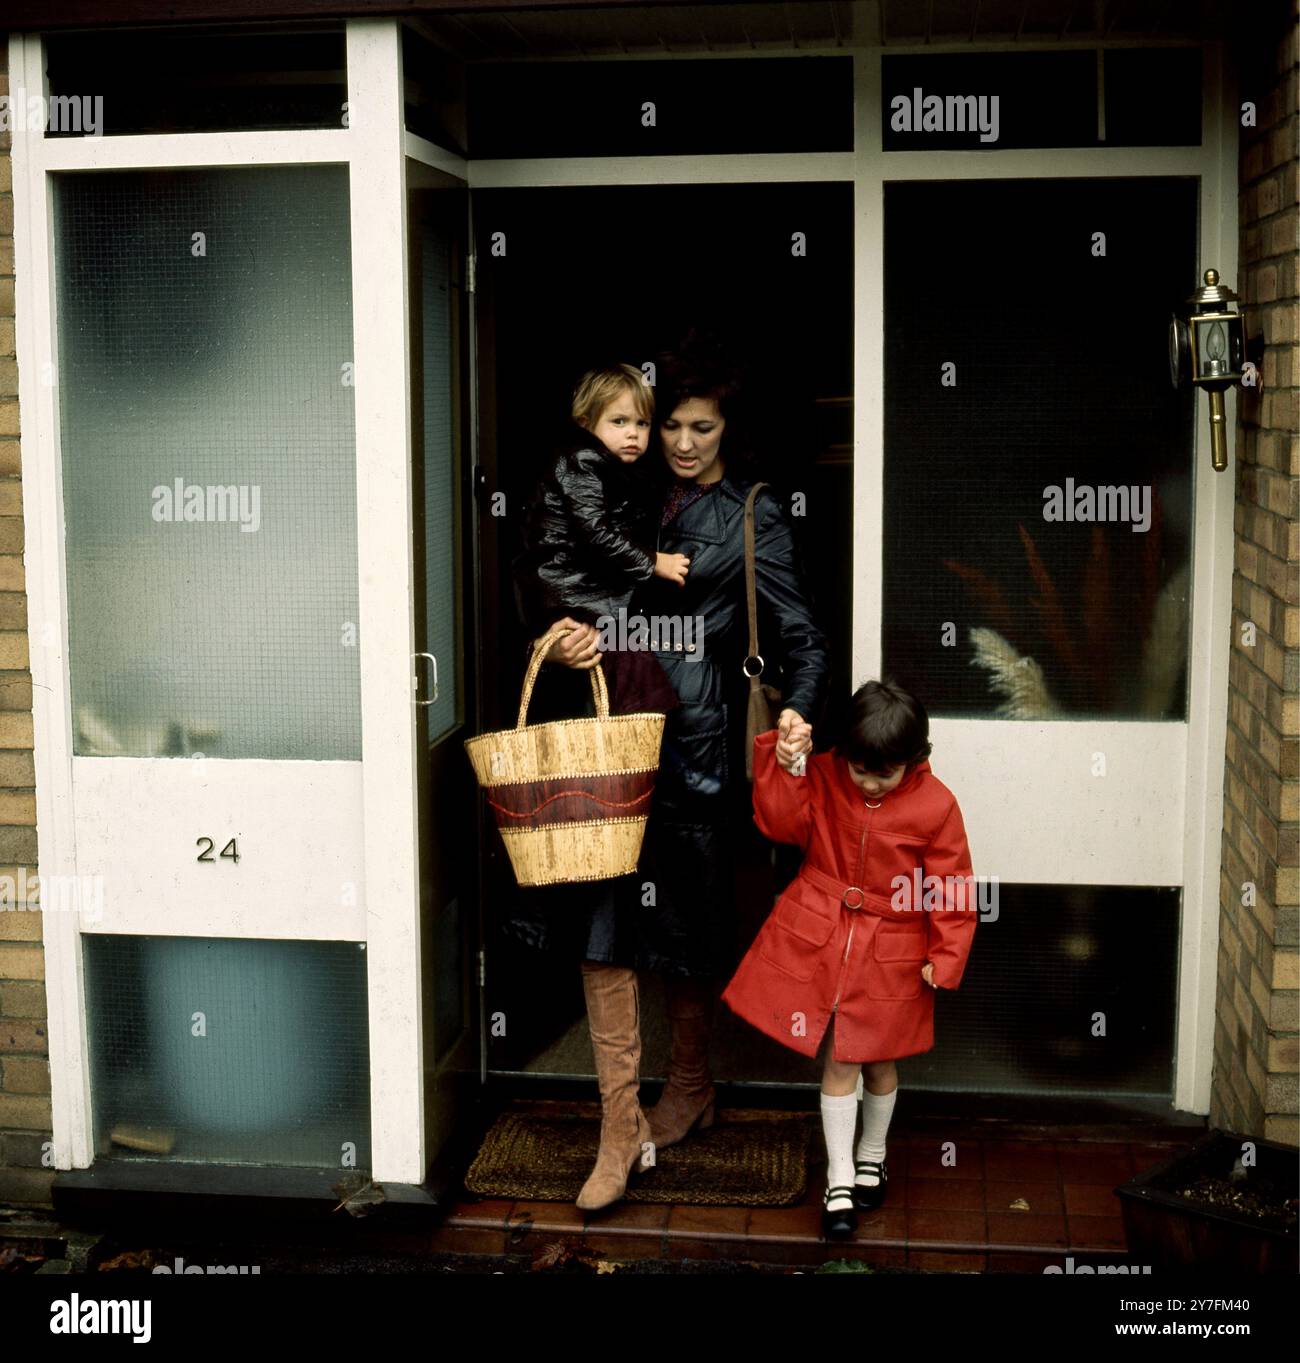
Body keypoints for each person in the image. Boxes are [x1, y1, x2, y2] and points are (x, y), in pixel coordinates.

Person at [507, 332, 829, 1211]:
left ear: (726, 430)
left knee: (685, 930)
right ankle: (619, 1124)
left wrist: (798, 704)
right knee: (604, 927)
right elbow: (558, 574)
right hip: (609, 741)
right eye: (670, 426)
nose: (682, 444)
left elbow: (800, 633)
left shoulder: (753, 515)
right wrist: (562, 633)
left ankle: (690, 1085)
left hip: (697, 749)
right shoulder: (619, 489)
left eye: (701, 428)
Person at [720, 680, 978, 1236]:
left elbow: (952, 885)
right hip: (825, 932)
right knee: (840, 1058)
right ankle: (840, 1178)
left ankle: (873, 1152)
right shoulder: (828, 774)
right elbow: (781, 824)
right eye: (859, 769)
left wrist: (947, 953)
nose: (867, 781)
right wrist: (789, 769)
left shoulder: (937, 805)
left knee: (881, 1059)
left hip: (893, 949)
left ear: (916, 760)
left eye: (883, 773)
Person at [513, 363, 689, 715]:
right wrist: (655, 562)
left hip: (579, 593)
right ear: (586, 422)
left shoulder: (615, 469)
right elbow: (596, 532)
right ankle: (649, 743)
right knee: (633, 673)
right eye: (619, 421)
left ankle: (645, 740)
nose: (633, 435)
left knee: (627, 671)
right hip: (566, 590)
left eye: (642, 423)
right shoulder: (582, 461)